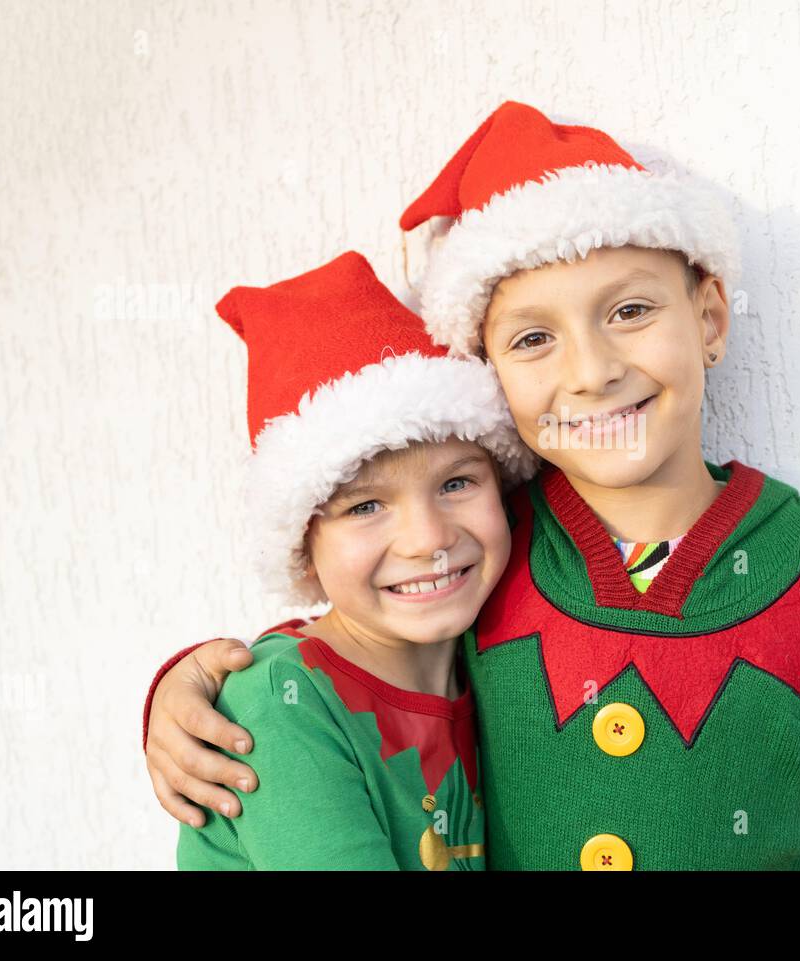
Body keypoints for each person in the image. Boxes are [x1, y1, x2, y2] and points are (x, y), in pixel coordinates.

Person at [147, 102, 800, 870]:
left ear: (712, 318)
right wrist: (194, 683)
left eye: (630, 312)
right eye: (535, 337)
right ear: (490, 374)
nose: (592, 372)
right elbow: (365, 638)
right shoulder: (492, 546)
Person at [173, 249, 535, 869]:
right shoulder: (279, 707)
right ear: (302, 550)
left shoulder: (491, 659)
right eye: (365, 507)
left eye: (456, 485)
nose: (427, 539)